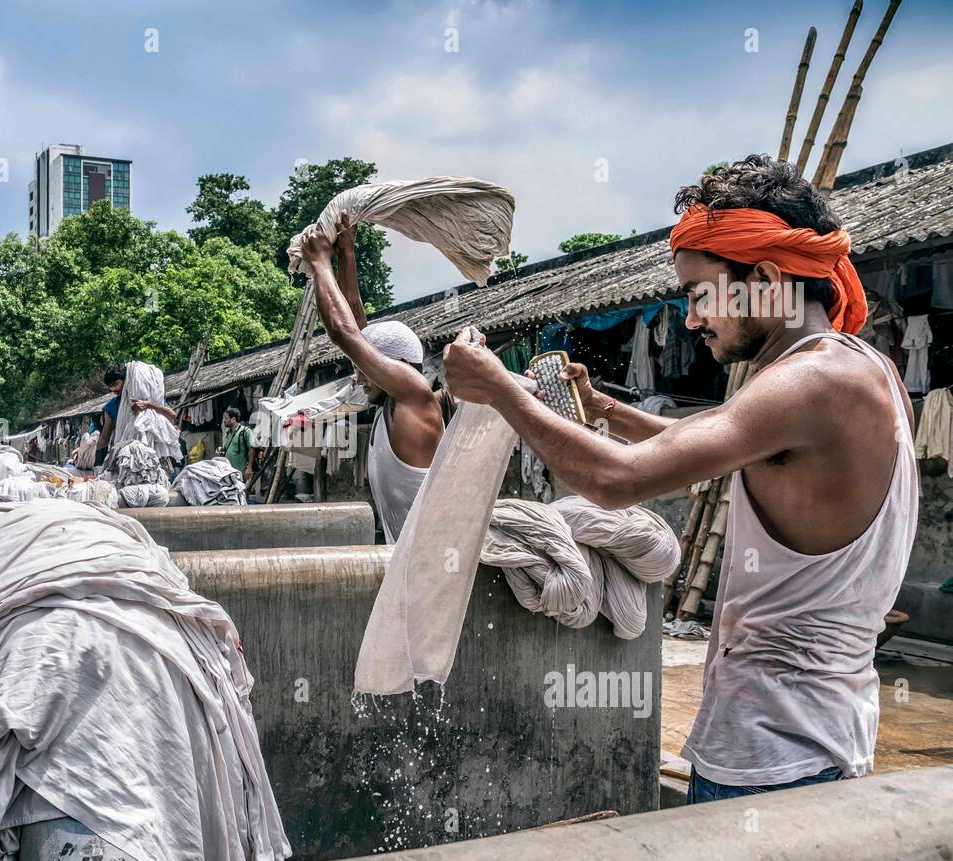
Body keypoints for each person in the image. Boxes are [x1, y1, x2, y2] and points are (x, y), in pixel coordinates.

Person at [442, 154, 917, 803]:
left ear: (769, 278)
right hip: (811, 743)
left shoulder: (810, 383)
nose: (692, 319)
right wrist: (606, 409)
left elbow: (613, 481)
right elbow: (707, 442)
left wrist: (497, 388)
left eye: (700, 294)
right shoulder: (852, 371)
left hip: (773, 760)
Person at [300, 211, 444, 541]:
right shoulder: (394, 398)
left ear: (400, 366)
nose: (359, 378)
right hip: (405, 560)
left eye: (366, 369)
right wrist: (346, 251)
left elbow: (342, 331)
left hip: (429, 565)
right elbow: (353, 319)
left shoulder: (414, 395)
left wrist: (320, 265)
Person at [96, 366, 126, 468]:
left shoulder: (146, 399)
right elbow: (104, 439)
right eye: (110, 386)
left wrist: (149, 405)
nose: (113, 389)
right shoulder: (111, 407)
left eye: (116, 384)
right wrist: (86, 449)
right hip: (124, 456)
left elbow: (172, 414)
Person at [219, 408, 254, 479]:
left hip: (240, 472)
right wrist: (221, 451)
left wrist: (249, 468)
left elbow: (252, 450)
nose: (224, 421)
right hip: (228, 471)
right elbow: (228, 448)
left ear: (233, 419)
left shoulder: (246, 431)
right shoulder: (228, 433)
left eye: (226, 418)